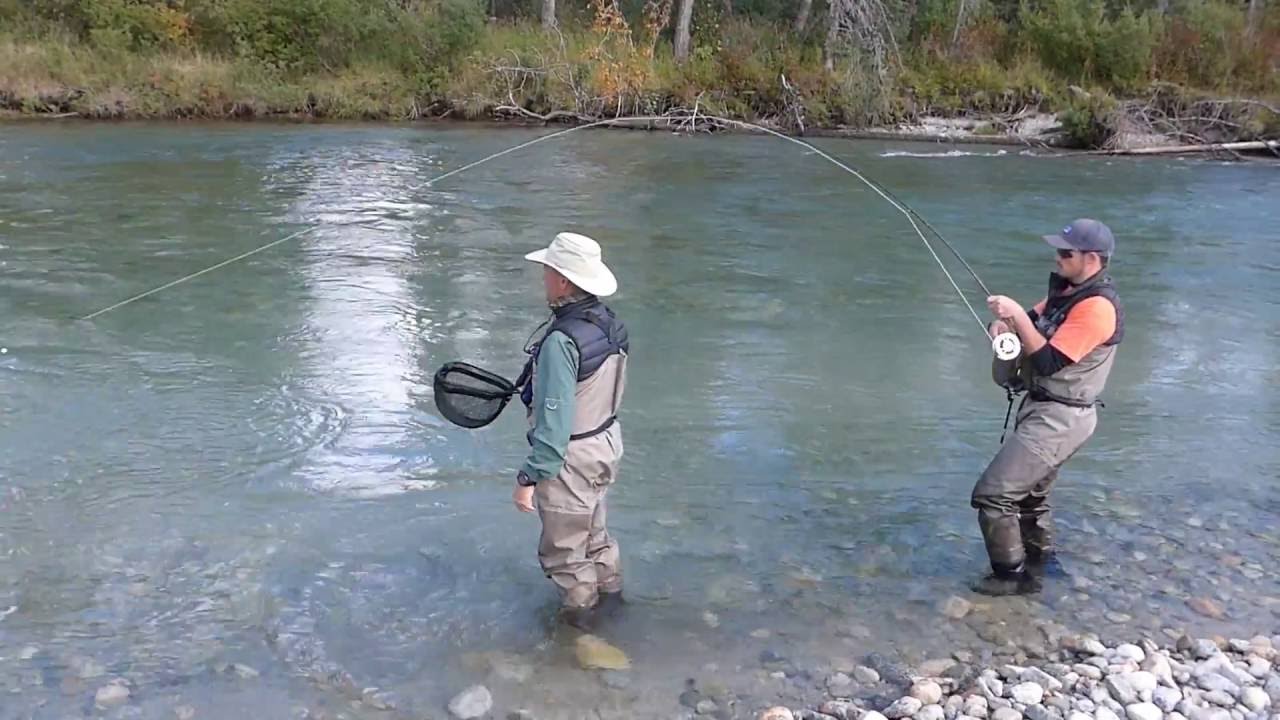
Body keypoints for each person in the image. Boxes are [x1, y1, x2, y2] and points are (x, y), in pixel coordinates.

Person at [972, 218, 1125, 596]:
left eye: (1065, 252)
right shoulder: (1067, 291)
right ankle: (1042, 568)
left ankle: (1009, 577)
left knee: (994, 495)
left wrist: (1019, 319)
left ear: (1092, 259)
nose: (1057, 257)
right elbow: (1031, 320)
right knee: (1029, 496)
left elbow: (1049, 362)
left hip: (1062, 418)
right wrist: (1003, 325)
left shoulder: (1098, 308)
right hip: (1043, 409)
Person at [512, 232, 630, 628]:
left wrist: (529, 476)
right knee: (596, 536)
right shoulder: (611, 324)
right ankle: (616, 611)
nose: (543, 277)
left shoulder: (562, 340)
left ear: (563, 281)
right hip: (607, 441)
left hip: (571, 456)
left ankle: (581, 637)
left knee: (565, 555)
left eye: (547, 270)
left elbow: (554, 420)